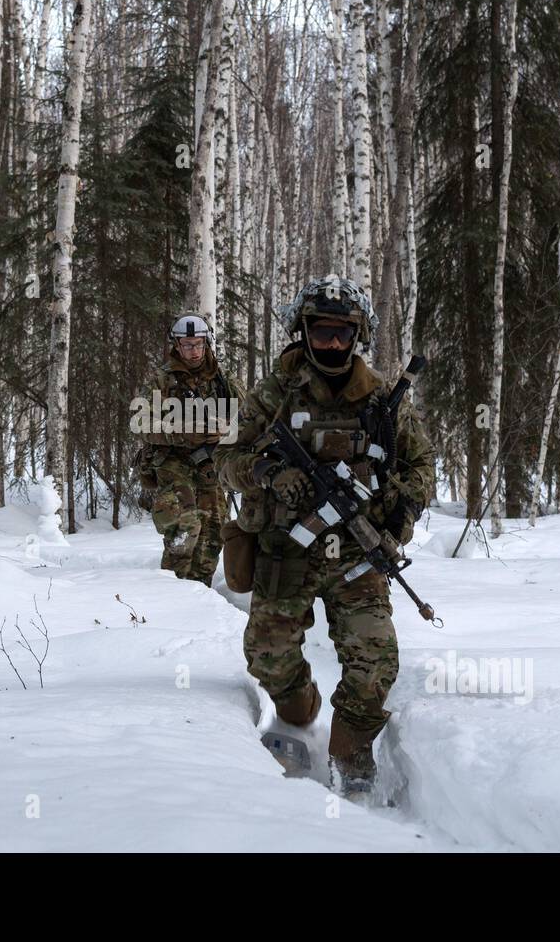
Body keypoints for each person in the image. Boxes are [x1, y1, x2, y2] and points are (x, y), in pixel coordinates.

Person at [214, 275, 436, 795]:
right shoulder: (274, 393)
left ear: (357, 335)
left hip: (357, 553)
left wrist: (399, 508)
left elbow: (422, 462)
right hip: (285, 548)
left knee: (375, 663)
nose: (332, 344)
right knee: (269, 657)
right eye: (322, 333)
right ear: (304, 332)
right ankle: (300, 715)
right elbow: (226, 460)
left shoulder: (383, 397)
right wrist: (268, 474)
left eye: (342, 334)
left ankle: (350, 756)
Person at [134, 314, 244, 586]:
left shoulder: (222, 379)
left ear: (207, 344)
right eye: (187, 345)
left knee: (213, 533)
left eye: (198, 345)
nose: (193, 351)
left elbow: (250, 416)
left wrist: (225, 428)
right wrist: (183, 431)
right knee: (184, 526)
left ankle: (199, 595)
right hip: (173, 463)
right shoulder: (163, 379)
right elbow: (141, 423)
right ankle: (172, 591)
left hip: (210, 464)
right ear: (177, 346)